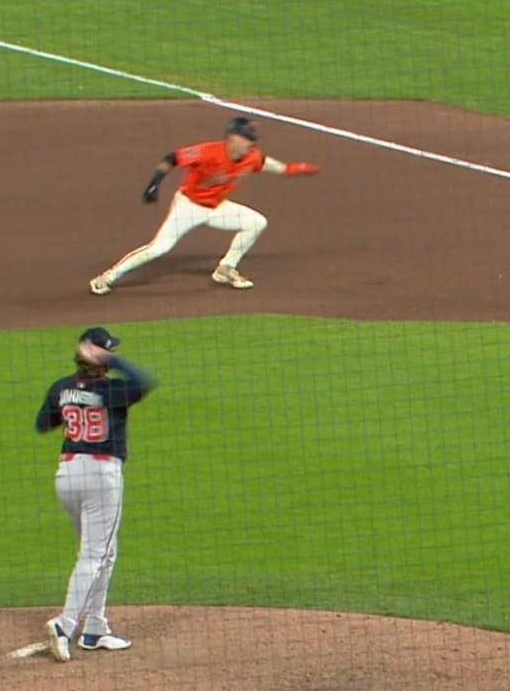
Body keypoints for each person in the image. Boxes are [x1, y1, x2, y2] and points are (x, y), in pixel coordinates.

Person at [88, 117, 320, 295]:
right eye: (247, 139)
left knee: (257, 223)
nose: (250, 144)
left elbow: (274, 166)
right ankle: (107, 277)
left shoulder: (252, 157)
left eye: (252, 141)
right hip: (189, 207)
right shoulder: (209, 151)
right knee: (159, 248)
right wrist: (154, 185)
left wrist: (297, 169)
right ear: (232, 137)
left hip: (216, 207)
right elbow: (172, 158)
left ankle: (225, 269)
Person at [38, 327, 155, 662]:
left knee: (103, 552)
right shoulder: (112, 390)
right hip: (101, 475)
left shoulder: (61, 388)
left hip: (67, 474)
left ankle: (96, 628)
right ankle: (65, 624)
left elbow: (44, 423)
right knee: (94, 554)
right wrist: (114, 361)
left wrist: (74, 401)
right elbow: (144, 383)